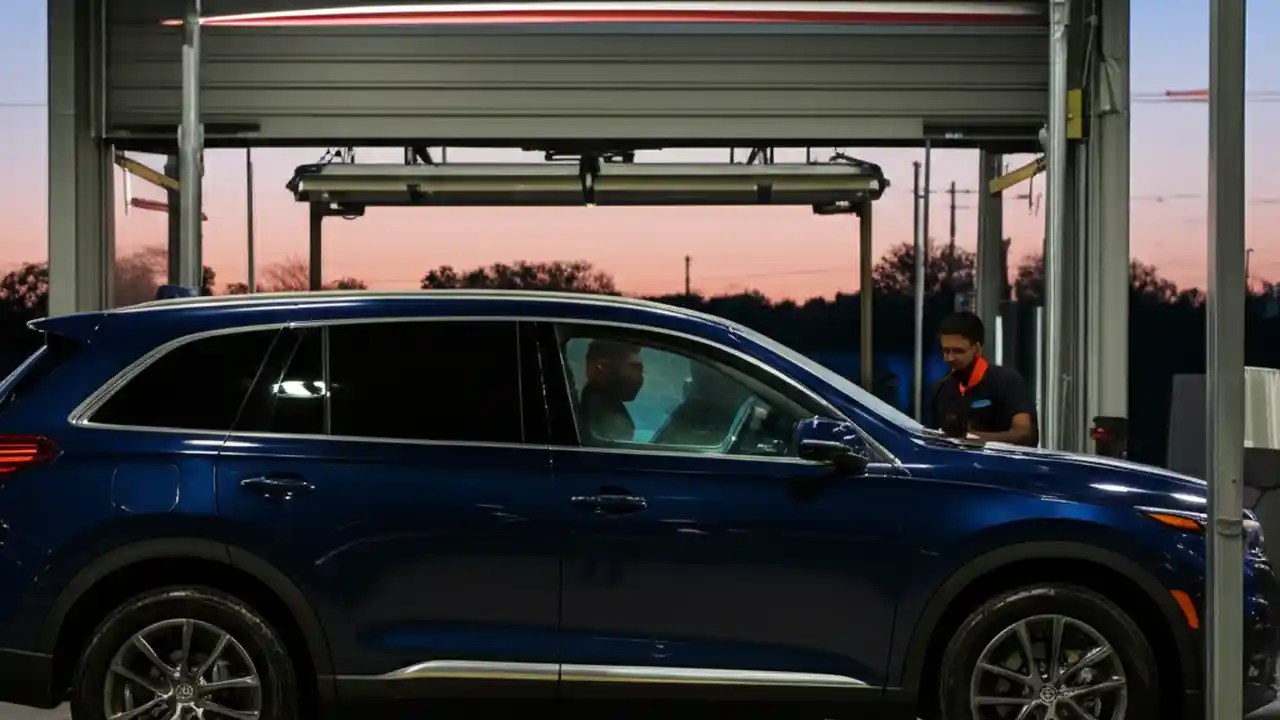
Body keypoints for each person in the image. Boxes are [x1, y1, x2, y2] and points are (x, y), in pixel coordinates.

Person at [929, 312, 1039, 446]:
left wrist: (970, 438)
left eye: (958, 351)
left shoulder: (1007, 381)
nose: (950, 358)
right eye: (946, 351)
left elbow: (1024, 434)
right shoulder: (941, 389)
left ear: (976, 348)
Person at [579, 339, 645, 442]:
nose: (640, 377)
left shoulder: (607, 406)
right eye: (634, 368)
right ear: (602, 368)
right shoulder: (599, 420)